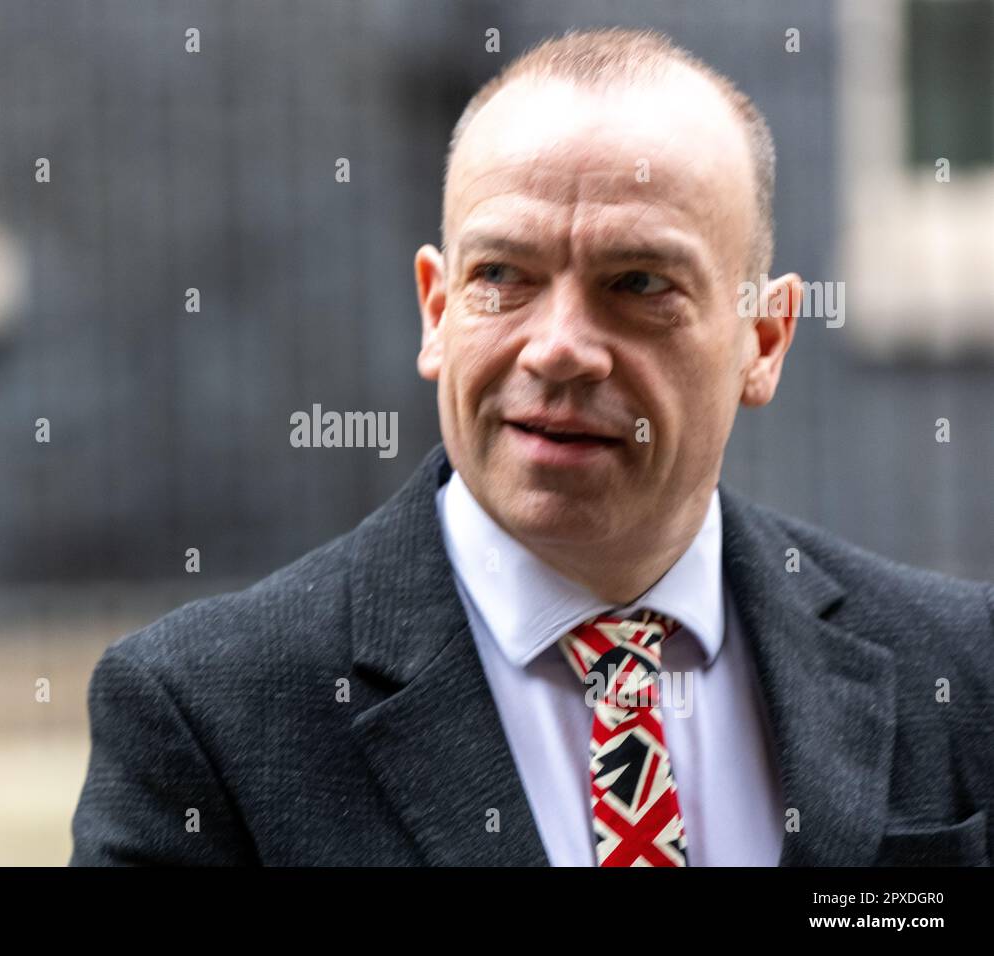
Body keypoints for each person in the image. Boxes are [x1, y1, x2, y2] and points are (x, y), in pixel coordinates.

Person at [70, 28, 994, 866]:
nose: (557, 347)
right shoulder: (212, 722)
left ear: (764, 340)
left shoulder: (962, 671)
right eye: (503, 276)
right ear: (437, 311)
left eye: (637, 281)